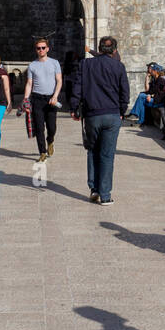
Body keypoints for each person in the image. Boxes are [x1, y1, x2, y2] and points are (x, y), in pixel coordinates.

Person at [72, 36, 129, 205]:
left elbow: (78, 87)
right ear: (114, 50)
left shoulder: (86, 65)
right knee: (107, 155)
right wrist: (122, 111)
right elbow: (124, 93)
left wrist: (75, 107)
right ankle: (105, 195)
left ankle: (94, 188)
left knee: (92, 151)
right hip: (112, 115)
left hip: (92, 115)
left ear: (99, 47)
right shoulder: (119, 67)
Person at [24, 37, 63, 162]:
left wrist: (55, 96)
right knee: (39, 127)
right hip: (37, 99)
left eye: (43, 48)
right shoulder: (32, 65)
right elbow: (29, 83)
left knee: (52, 127)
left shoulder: (54, 63)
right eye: (38, 48)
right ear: (36, 50)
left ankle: (50, 141)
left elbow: (59, 81)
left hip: (51, 98)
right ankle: (42, 152)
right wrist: (25, 98)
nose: (40, 50)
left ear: (47, 49)